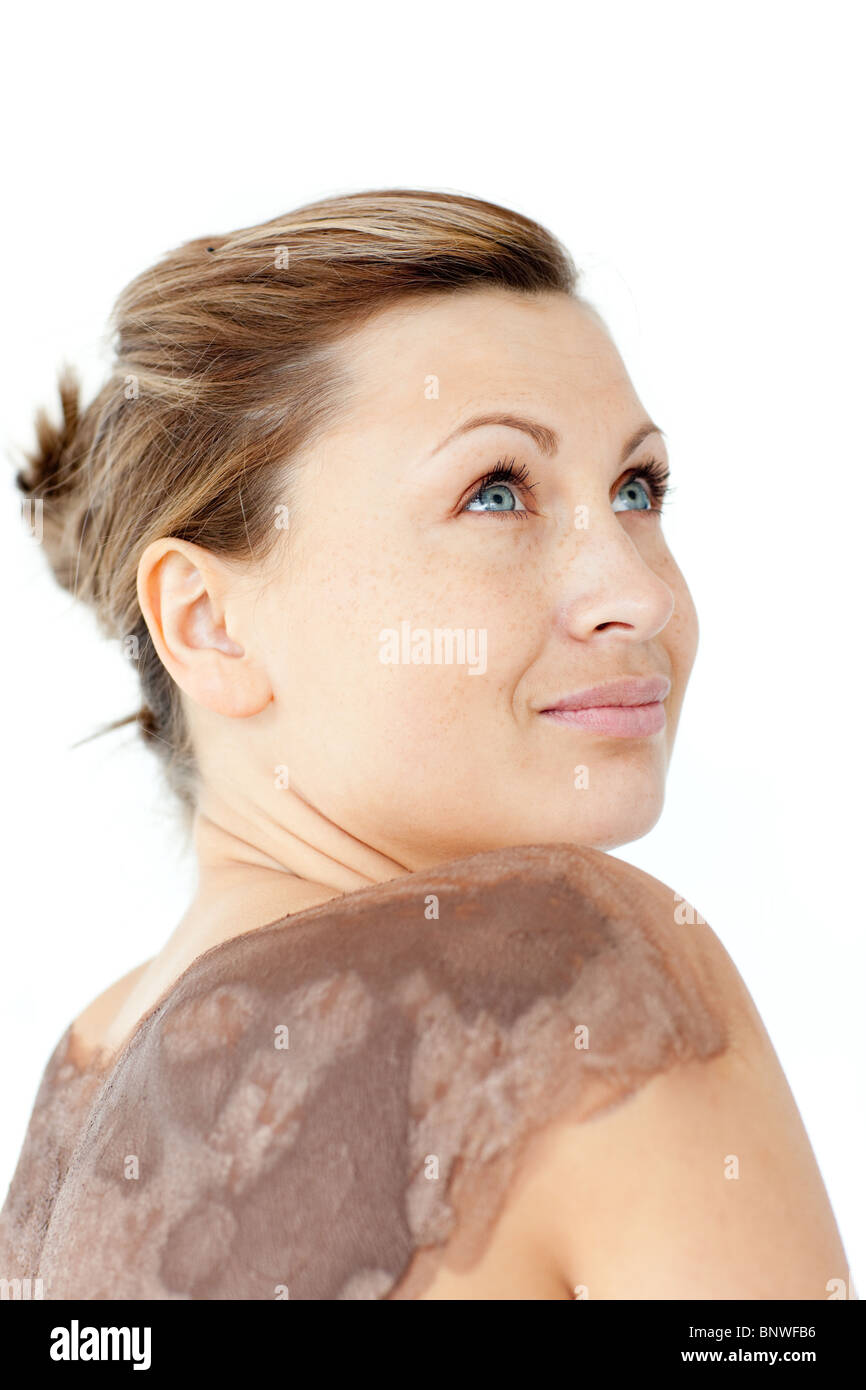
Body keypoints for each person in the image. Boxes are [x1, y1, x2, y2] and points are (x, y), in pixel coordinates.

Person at [0, 188, 850, 1300]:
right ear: (208, 623)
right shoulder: (572, 973)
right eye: (496, 491)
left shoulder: (80, 1084)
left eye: (636, 488)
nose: (635, 594)